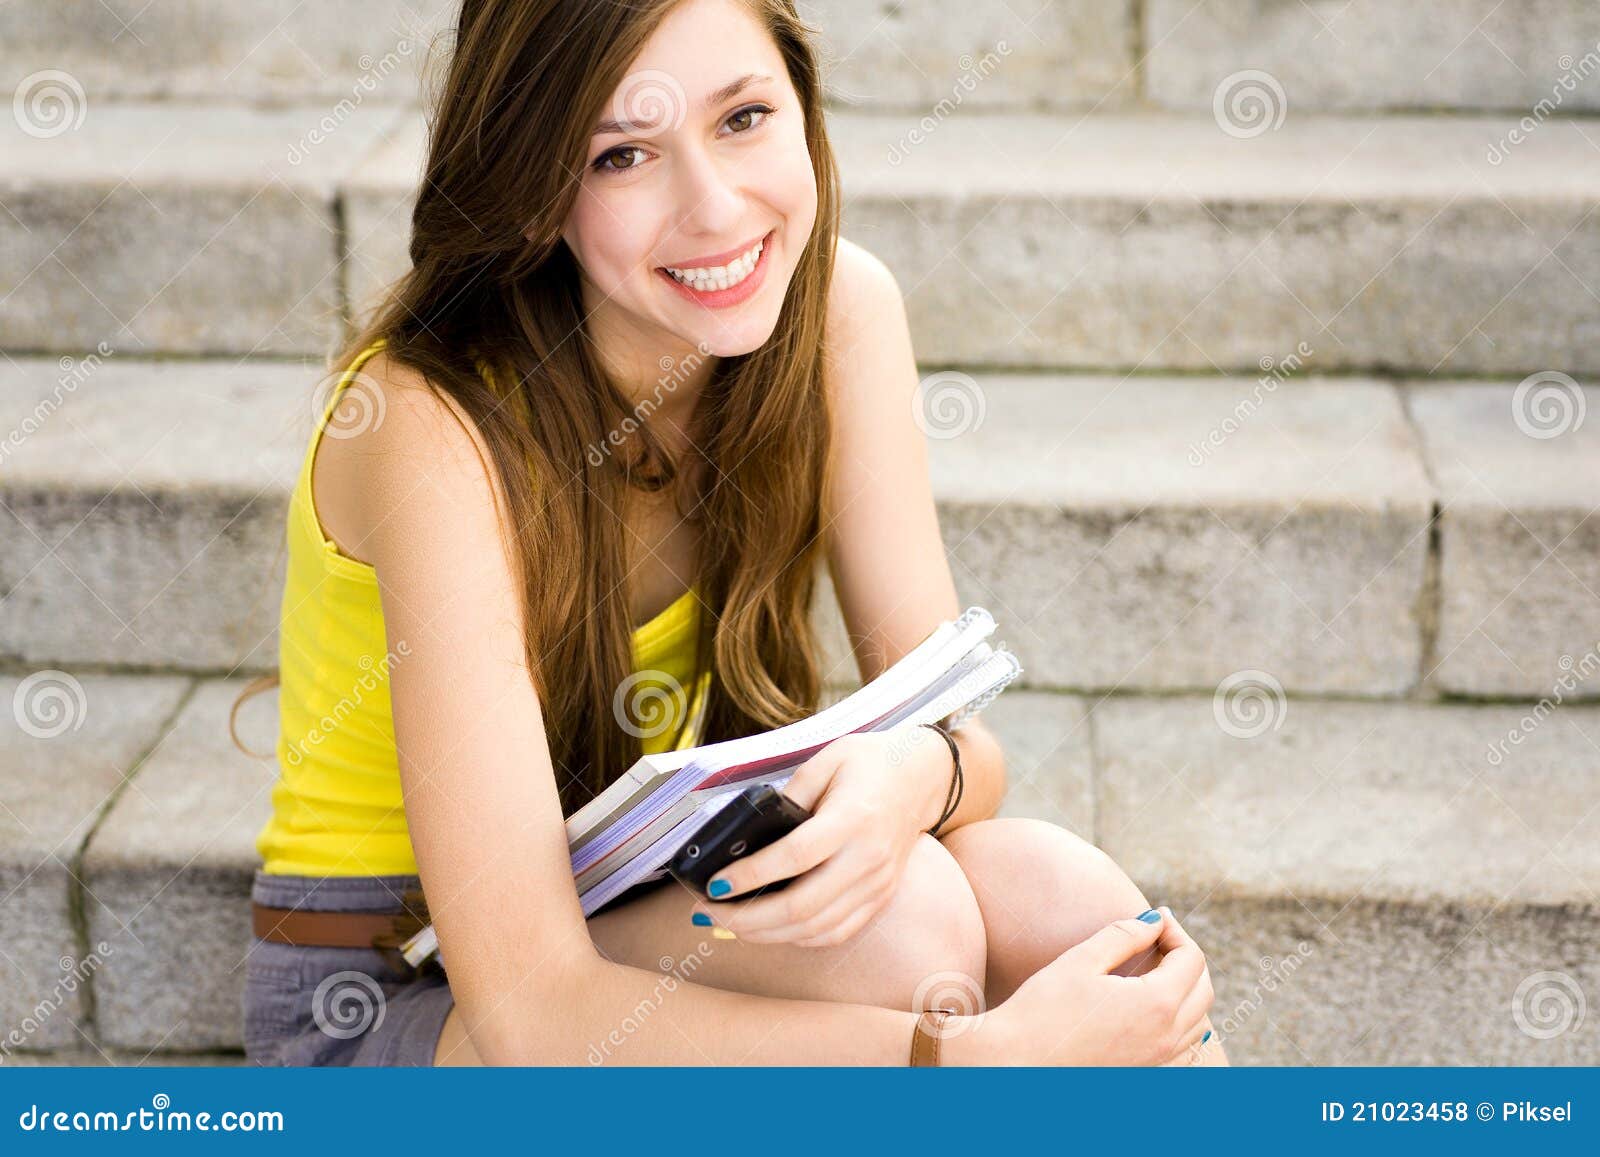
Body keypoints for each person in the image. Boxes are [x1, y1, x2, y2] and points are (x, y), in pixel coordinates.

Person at [238, 0, 1224, 1067]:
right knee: (905, 932)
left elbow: (960, 739)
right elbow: (530, 1012)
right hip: (399, 993)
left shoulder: (839, 308)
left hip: (636, 888)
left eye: (743, 118)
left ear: (801, 105)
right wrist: (966, 1060)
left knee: (1060, 893)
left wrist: (909, 770)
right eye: (621, 155)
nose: (713, 210)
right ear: (533, 189)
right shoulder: (431, 423)